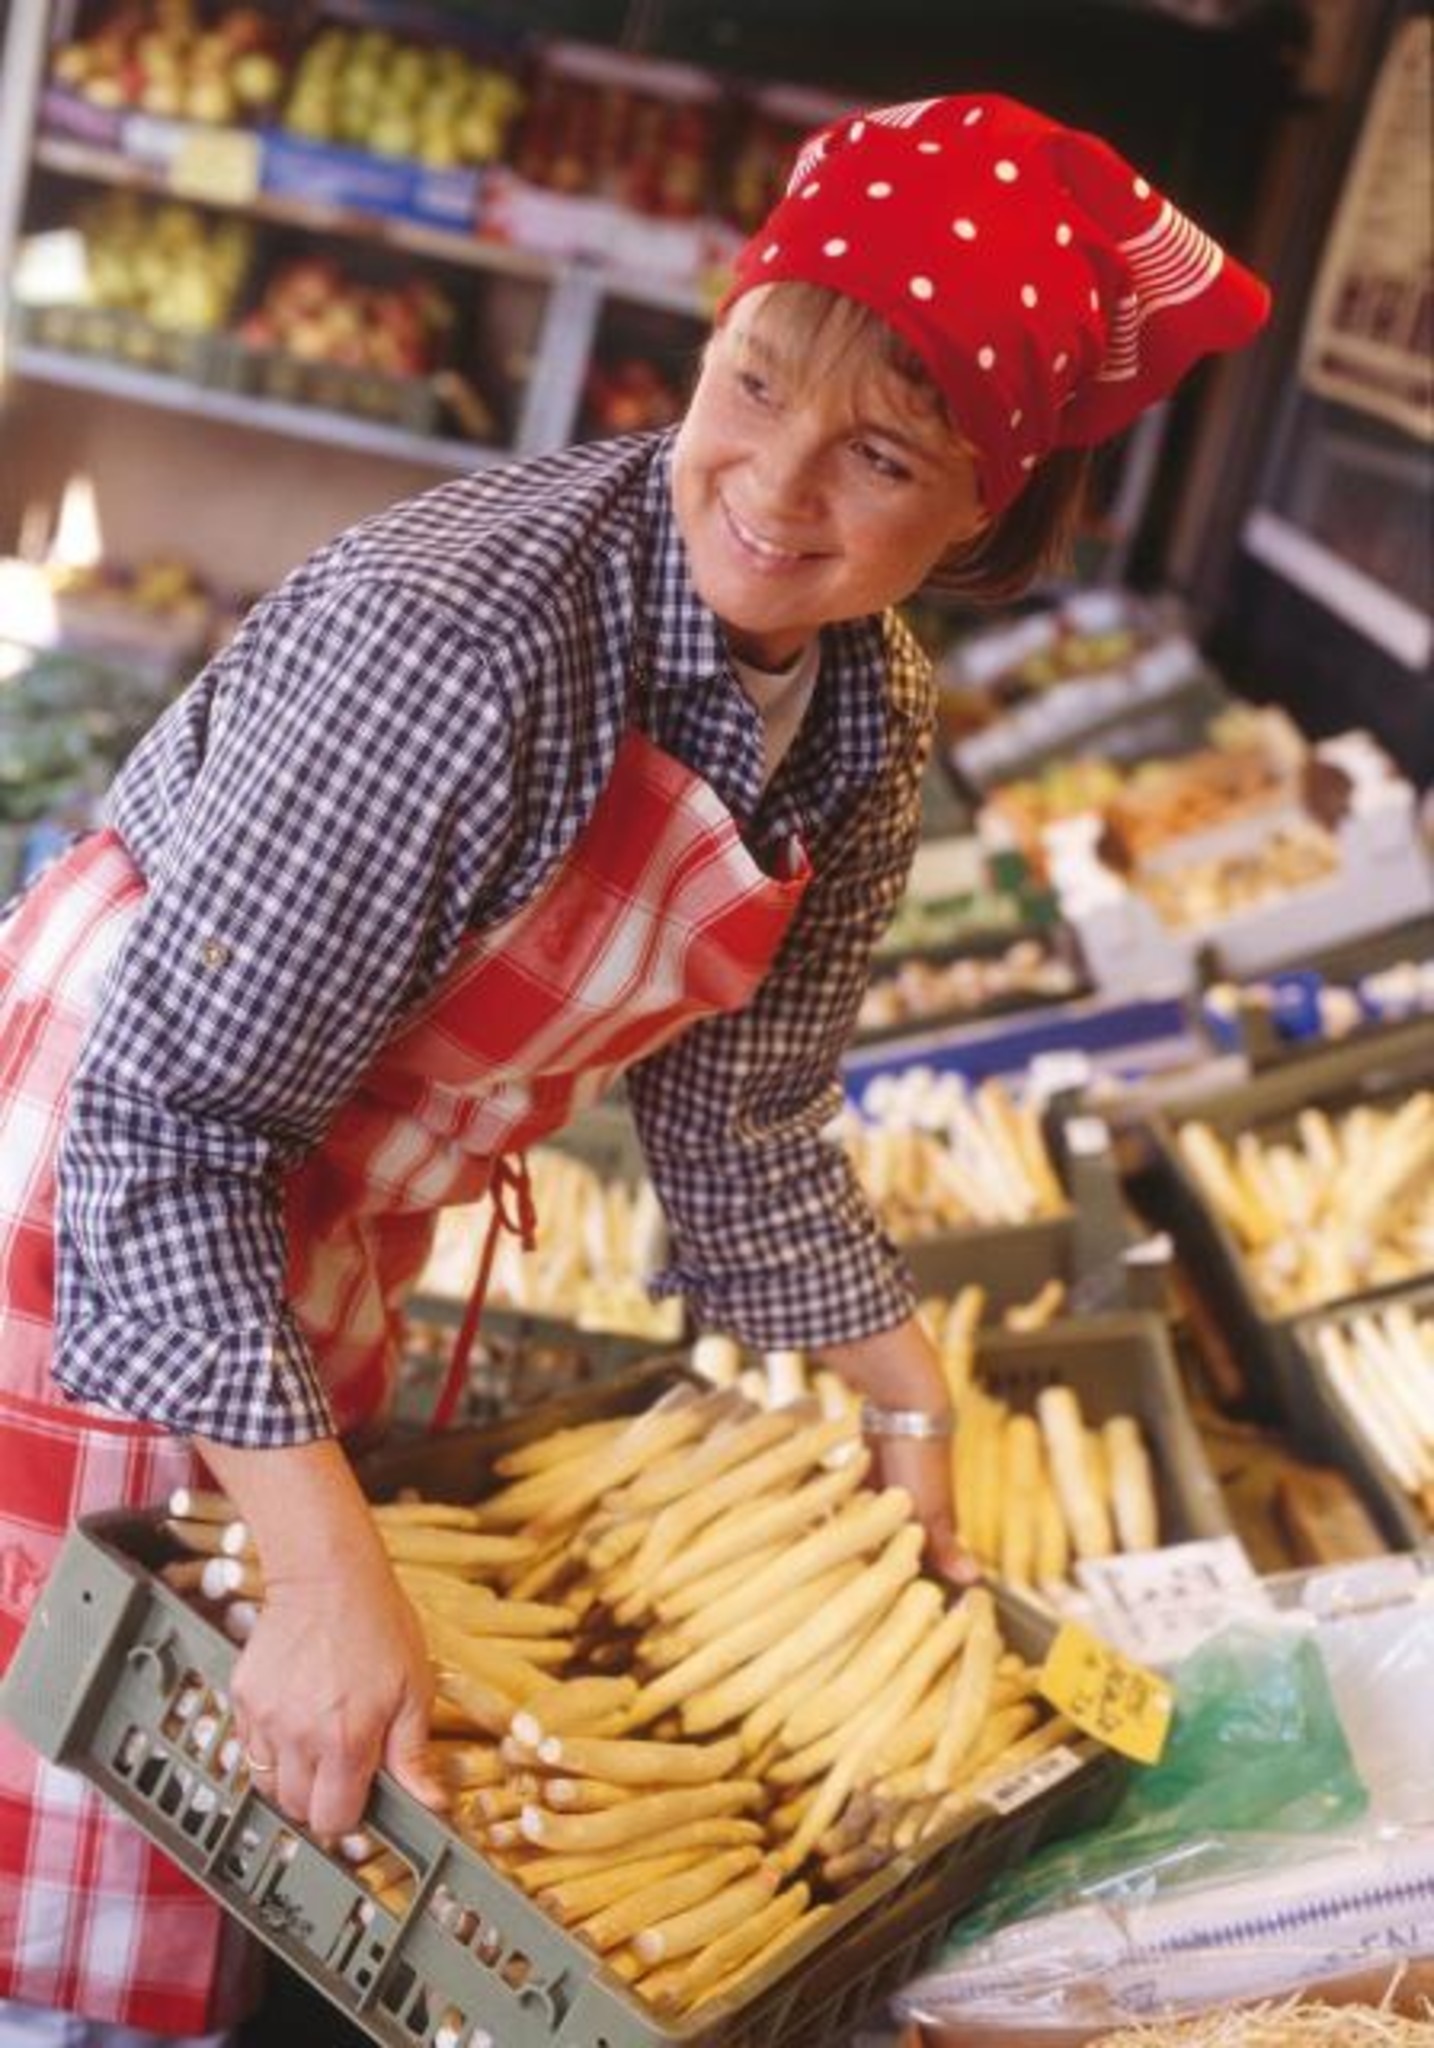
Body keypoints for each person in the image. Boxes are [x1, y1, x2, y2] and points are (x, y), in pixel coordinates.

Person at [0, 92, 1268, 2043]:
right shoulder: (473, 639)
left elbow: (747, 1114)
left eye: (881, 453)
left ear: (979, 516)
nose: (775, 484)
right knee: (117, 1719)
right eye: (753, 382)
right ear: (712, 333)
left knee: (279, 1748)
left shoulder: (865, 710)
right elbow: (166, 1128)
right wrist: (327, 1564)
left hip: (329, 1185)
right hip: (111, 1157)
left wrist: (906, 1399)